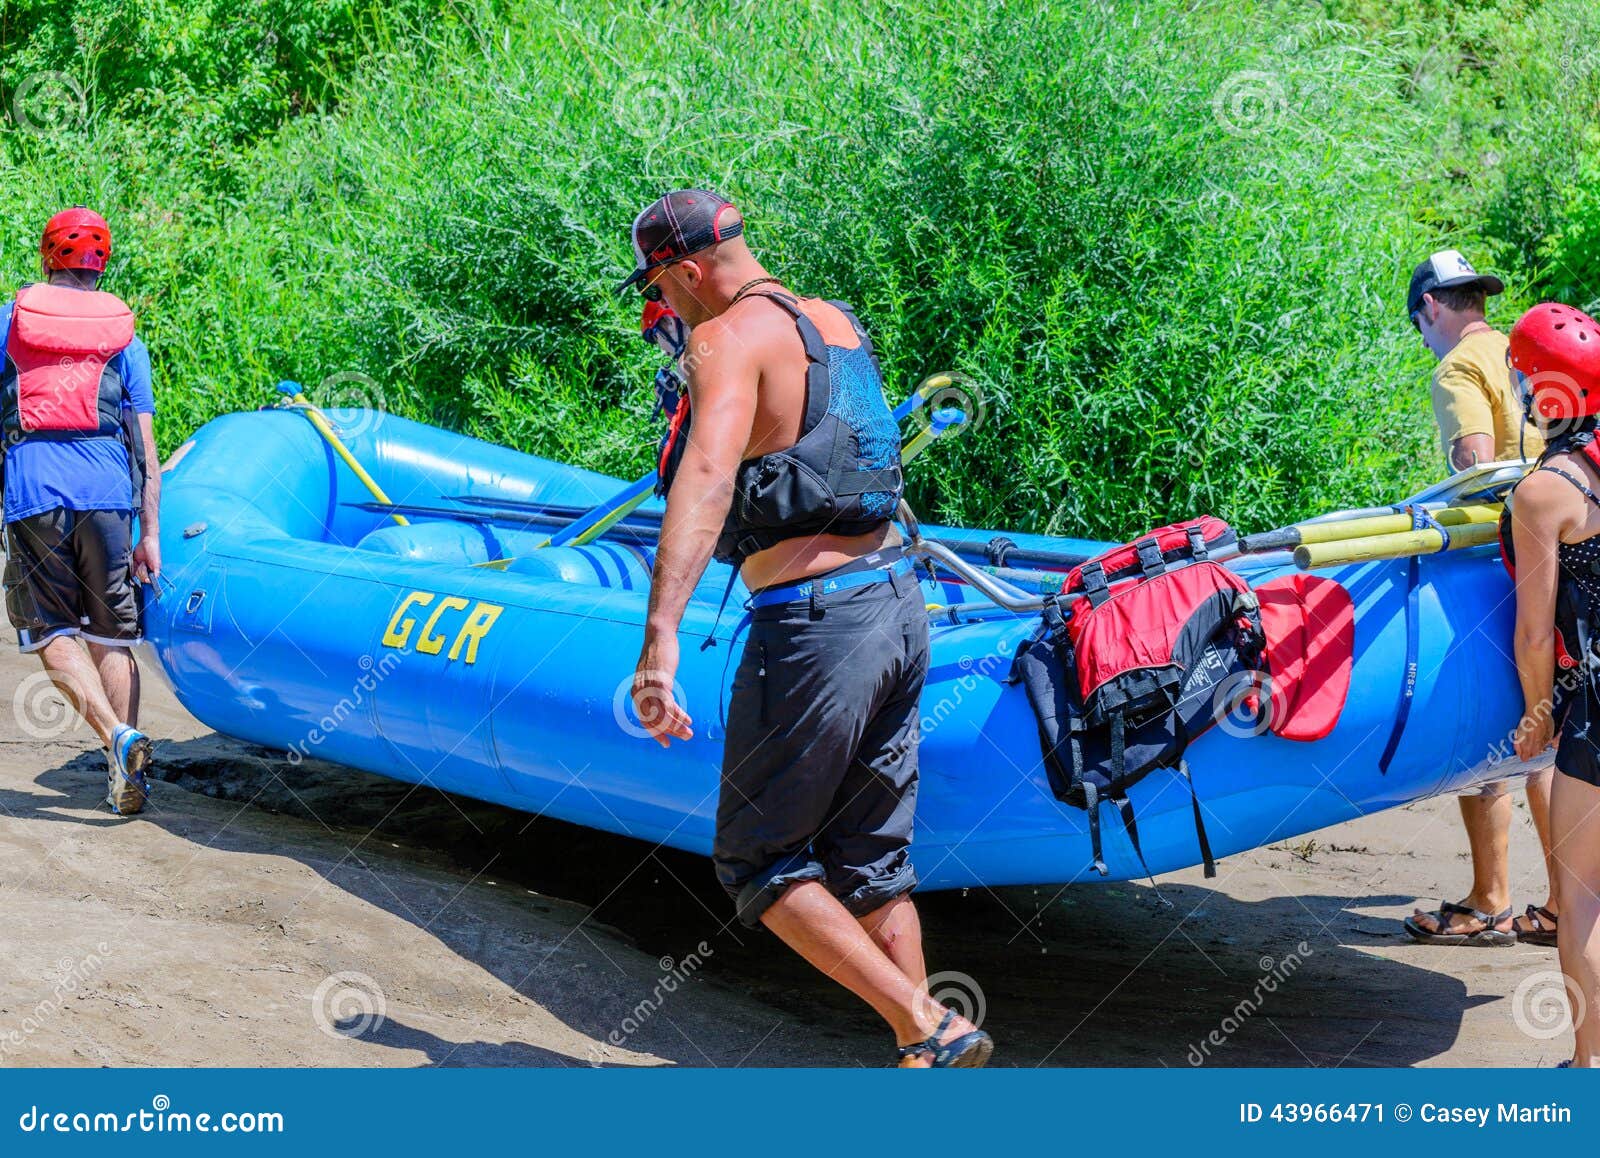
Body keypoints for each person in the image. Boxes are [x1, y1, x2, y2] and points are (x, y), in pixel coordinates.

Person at [622, 189, 991, 1067]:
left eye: (659, 288)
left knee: (759, 861)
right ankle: (926, 1064)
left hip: (817, 627)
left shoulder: (724, 339)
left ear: (688, 270)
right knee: (870, 863)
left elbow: (706, 479)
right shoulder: (834, 321)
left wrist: (661, 636)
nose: (661, 307)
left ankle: (929, 1023)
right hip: (897, 603)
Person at [1403, 250, 1561, 946]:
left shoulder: (1457, 367)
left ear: (1430, 308)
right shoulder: (1518, 352)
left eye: (1420, 325)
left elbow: (1477, 462)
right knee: (1544, 730)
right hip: (1563, 549)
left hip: (1503, 562)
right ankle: (1556, 901)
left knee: (1497, 725)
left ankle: (1499, 898)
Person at [1, 208, 160, 815]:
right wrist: (150, 533)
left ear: (47, 259)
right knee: (112, 635)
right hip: (110, 497)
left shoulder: (9, 323)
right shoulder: (125, 339)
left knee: (52, 631)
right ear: (102, 265)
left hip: (34, 493)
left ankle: (116, 737)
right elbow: (144, 447)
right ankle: (128, 776)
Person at [1505, 301, 1600, 1066]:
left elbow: (1535, 634)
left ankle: (1588, 1065)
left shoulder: (1544, 494)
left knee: (1582, 896)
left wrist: (1537, 715)